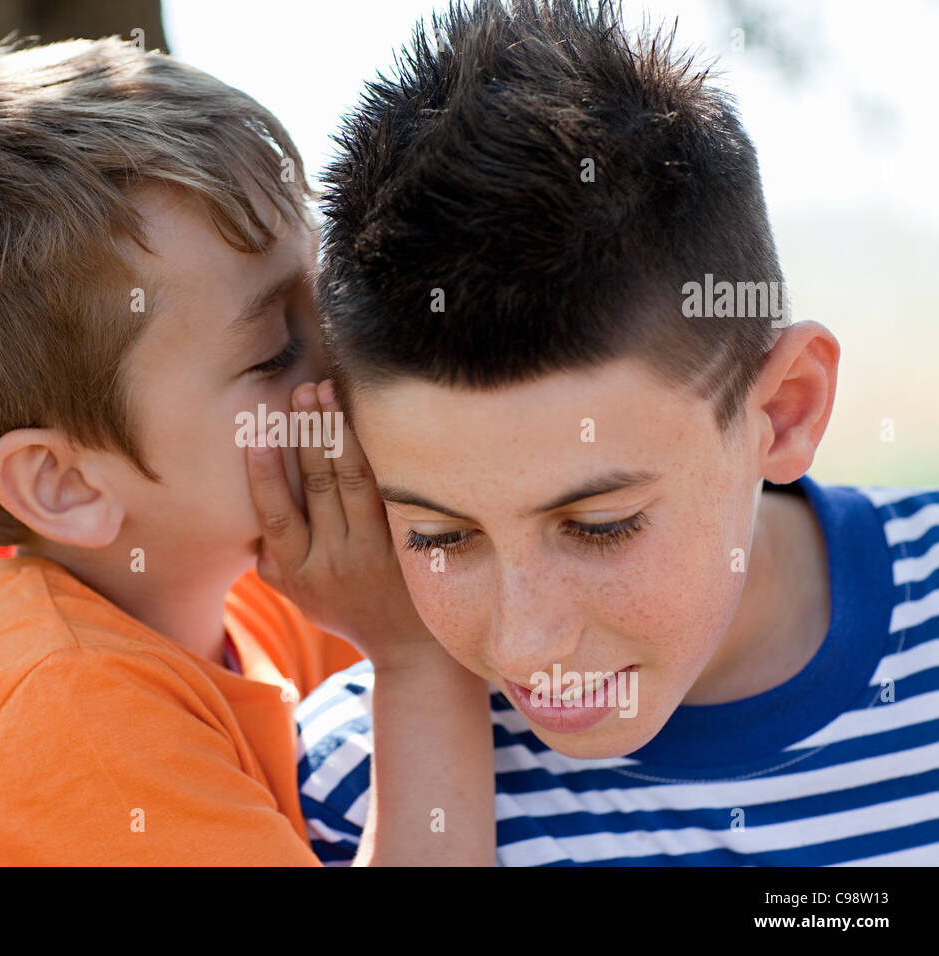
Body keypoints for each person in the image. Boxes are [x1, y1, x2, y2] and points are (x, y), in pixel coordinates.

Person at [0, 35, 494, 865]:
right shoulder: (62, 716)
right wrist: (415, 659)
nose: (340, 354)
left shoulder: (257, 591)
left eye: (322, 296)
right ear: (63, 484)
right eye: (273, 353)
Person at [296, 0, 939, 865]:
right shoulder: (360, 790)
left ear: (785, 409)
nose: (528, 643)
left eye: (602, 526)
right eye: (439, 534)